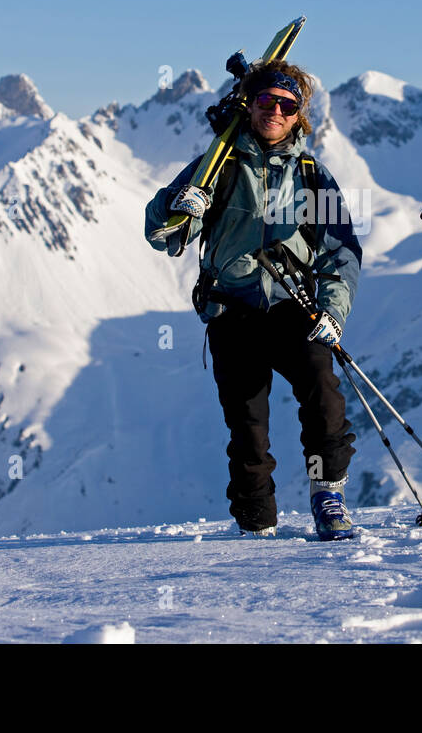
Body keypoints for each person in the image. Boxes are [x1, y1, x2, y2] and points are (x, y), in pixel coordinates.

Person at [144, 61, 362, 539]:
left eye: (287, 105)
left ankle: (328, 496)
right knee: (247, 425)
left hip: (292, 305)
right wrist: (178, 203)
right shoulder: (217, 167)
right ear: (250, 104)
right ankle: (255, 522)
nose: (276, 111)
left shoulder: (312, 176)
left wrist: (333, 311)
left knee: (322, 393)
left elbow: (341, 250)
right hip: (232, 309)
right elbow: (160, 234)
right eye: (266, 100)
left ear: (299, 116)